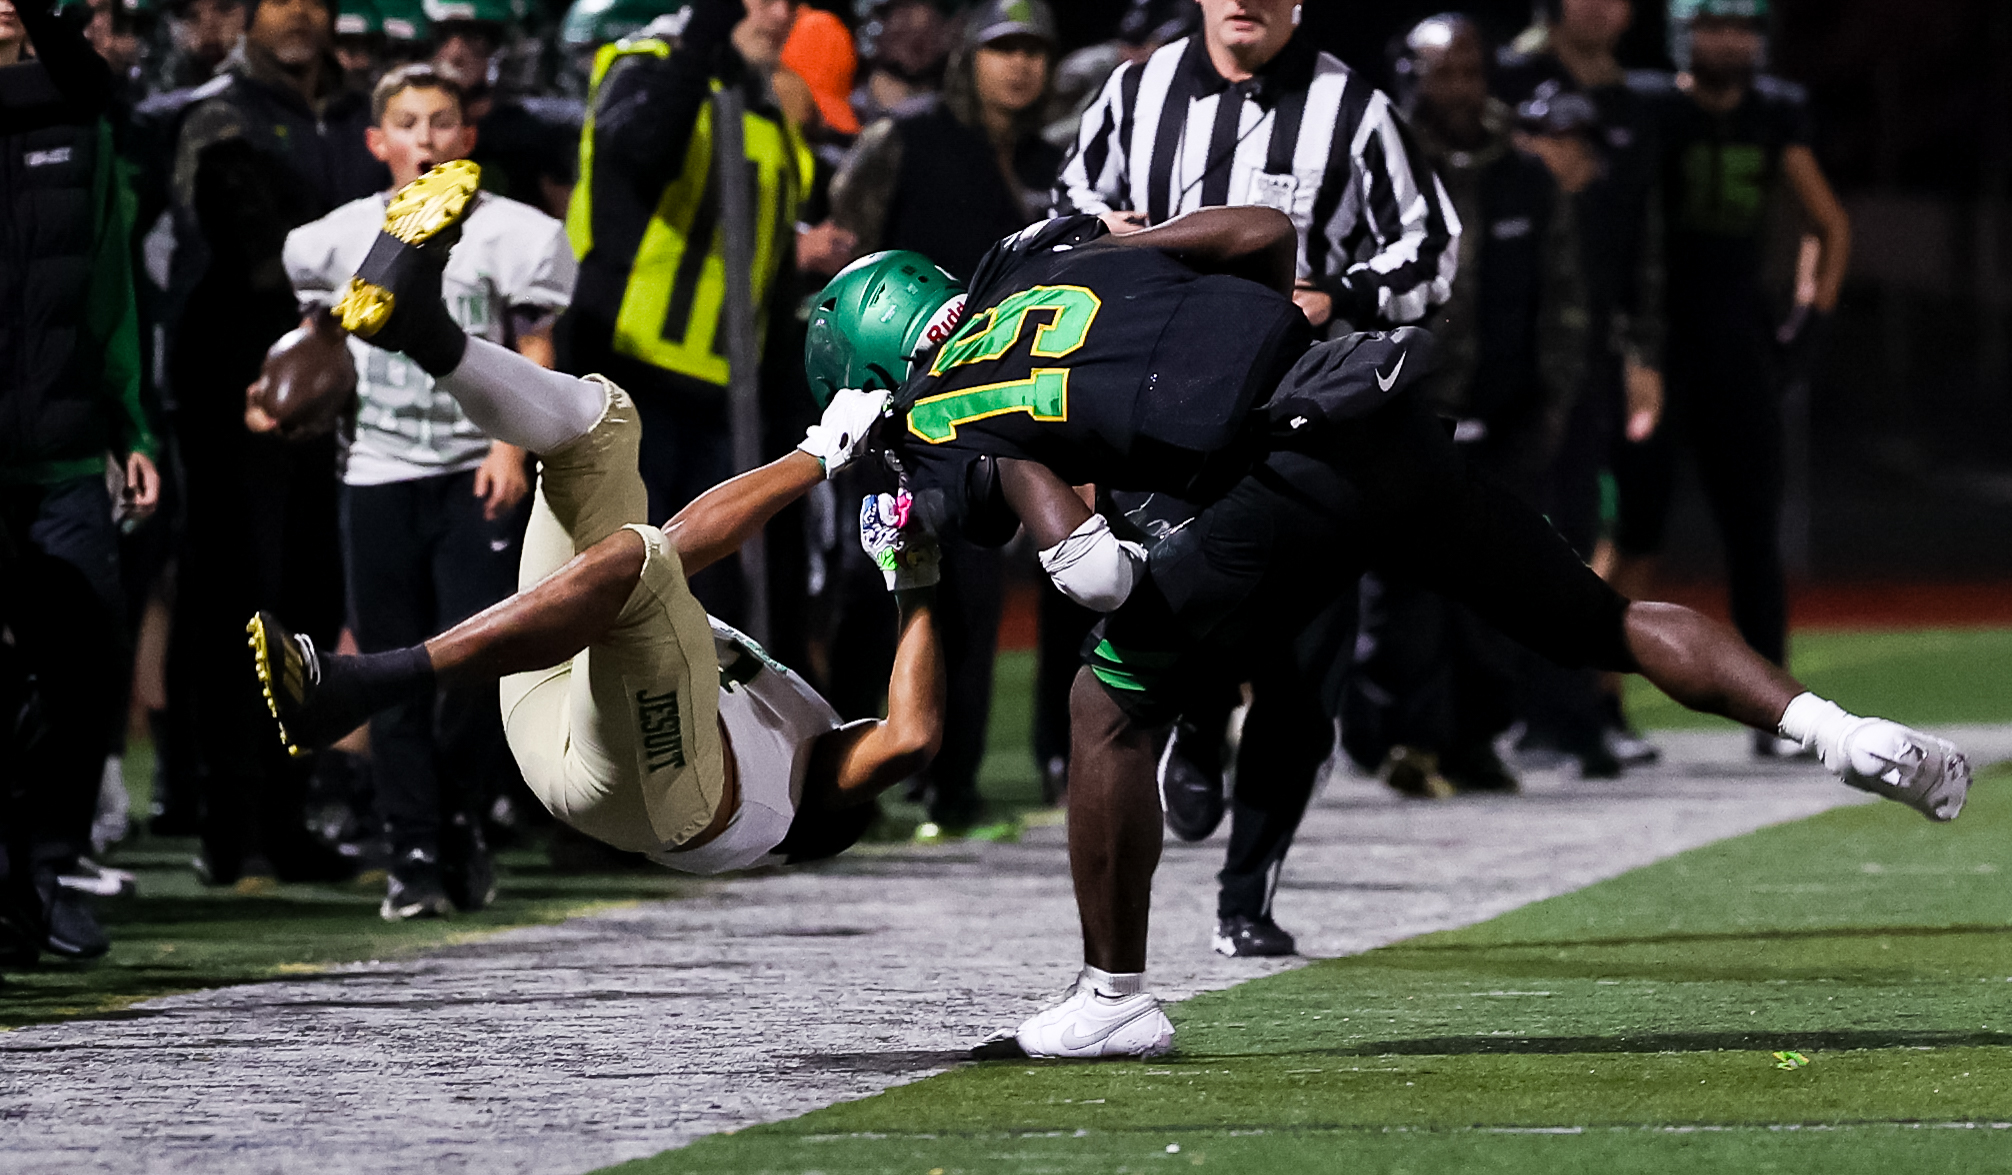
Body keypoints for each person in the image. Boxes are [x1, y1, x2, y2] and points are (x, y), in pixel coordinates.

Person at [802, 206, 1969, 1059]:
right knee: (1598, 619)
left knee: (1104, 705)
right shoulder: (1057, 252)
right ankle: (1837, 730)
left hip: (1277, 472)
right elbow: (1260, 229)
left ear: (865, 363)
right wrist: (1188, 285)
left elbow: (1033, 513)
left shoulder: (929, 411)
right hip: (1366, 398)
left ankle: (1111, 993)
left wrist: (976, 533)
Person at [246, 163, 946, 877]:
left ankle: (365, 685)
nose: (862, 727)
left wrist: (842, 487)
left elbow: (912, 735)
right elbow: (674, 551)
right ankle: (424, 329)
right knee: (600, 422)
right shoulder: (798, 715)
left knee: (643, 559)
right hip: (565, 700)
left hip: (667, 793)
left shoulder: (810, 780)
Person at [1052, 0, 1461, 959]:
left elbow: (1432, 247)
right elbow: (1063, 210)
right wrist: (1103, 231)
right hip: (1159, 412)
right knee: (1160, 623)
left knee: (1306, 665)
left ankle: (1248, 894)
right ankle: (1196, 720)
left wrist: (1342, 291)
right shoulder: (1135, 89)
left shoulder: (1351, 106)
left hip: (1299, 414)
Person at [274, 66, 575, 919]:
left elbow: (533, 347)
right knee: (387, 669)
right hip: (376, 467)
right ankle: (412, 848)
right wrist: (280, 388)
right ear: (379, 142)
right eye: (409, 123)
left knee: (477, 666)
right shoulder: (331, 239)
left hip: (471, 467)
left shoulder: (515, 235)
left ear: (467, 137)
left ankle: (460, 819)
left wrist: (510, 447)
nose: (429, 138)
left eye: (443, 121)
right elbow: (313, 342)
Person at [163, 0, 387, 886]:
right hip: (242, 397)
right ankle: (233, 824)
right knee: (239, 601)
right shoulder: (221, 114)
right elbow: (253, 254)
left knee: (309, 598)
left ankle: (289, 817)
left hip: (341, 398)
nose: (298, 12)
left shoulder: (358, 112)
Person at [824, 0, 1060, 832]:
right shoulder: (909, 140)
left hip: (1003, 410)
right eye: (1005, 47)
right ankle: (845, 776)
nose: (1021, 65)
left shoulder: (1053, 161)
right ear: (971, 55)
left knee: (974, 592)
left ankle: (950, 783)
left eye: (1035, 48)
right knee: (870, 587)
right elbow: (842, 264)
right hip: (893, 408)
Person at [1340, 14, 1588, 797]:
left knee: (1495, 585)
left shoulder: (1526, 176)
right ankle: (1402, 739)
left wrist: (1553, 402)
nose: (1459, 87)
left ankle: (1478, 738)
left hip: (1506, 412)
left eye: (1471, 70)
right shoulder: (1376, 172)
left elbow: (1564, 302)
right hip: (1407, 416)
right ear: (1409, 76)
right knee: (1401, 594)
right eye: (1442, 72)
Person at [1623, 0, 1850, 760]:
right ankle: (1596, 706)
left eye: (1744, 29)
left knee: (1754, 532)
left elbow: (1829, 222)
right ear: (1688, 35)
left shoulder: (1774, 112)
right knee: (1634, 527)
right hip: (1655, 340)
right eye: (1717, 27)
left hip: (1736, 342)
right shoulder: (1647, 106)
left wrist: (1807, 322)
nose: (1732, 42)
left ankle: (1780, 712)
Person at [558, 0, 813, 623]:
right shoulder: (647, 63)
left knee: (709, 613)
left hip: (729, 404)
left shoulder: (763, 102)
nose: (779, 15)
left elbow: (770, 270)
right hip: (631, 383)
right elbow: (640, 147)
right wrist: (702, 35)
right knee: (614, 596)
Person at [0, 0, 161, 964]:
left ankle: (46, 872)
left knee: (83, 662)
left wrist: (128, 425)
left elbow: (110, 285)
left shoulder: (79, 121)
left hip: (62, 450)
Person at [1494, 0, 1668, 770]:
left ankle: (1570, 711)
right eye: (1557, 139)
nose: (1575, 156)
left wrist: (1641, 356)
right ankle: (1507, 713)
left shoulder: (1590, 196)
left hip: (1579, 380)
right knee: (1506, 545)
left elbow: (1639, 267)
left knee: (1569, 543)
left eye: (1581, 143)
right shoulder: (1501, 189)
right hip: (1504, 390)